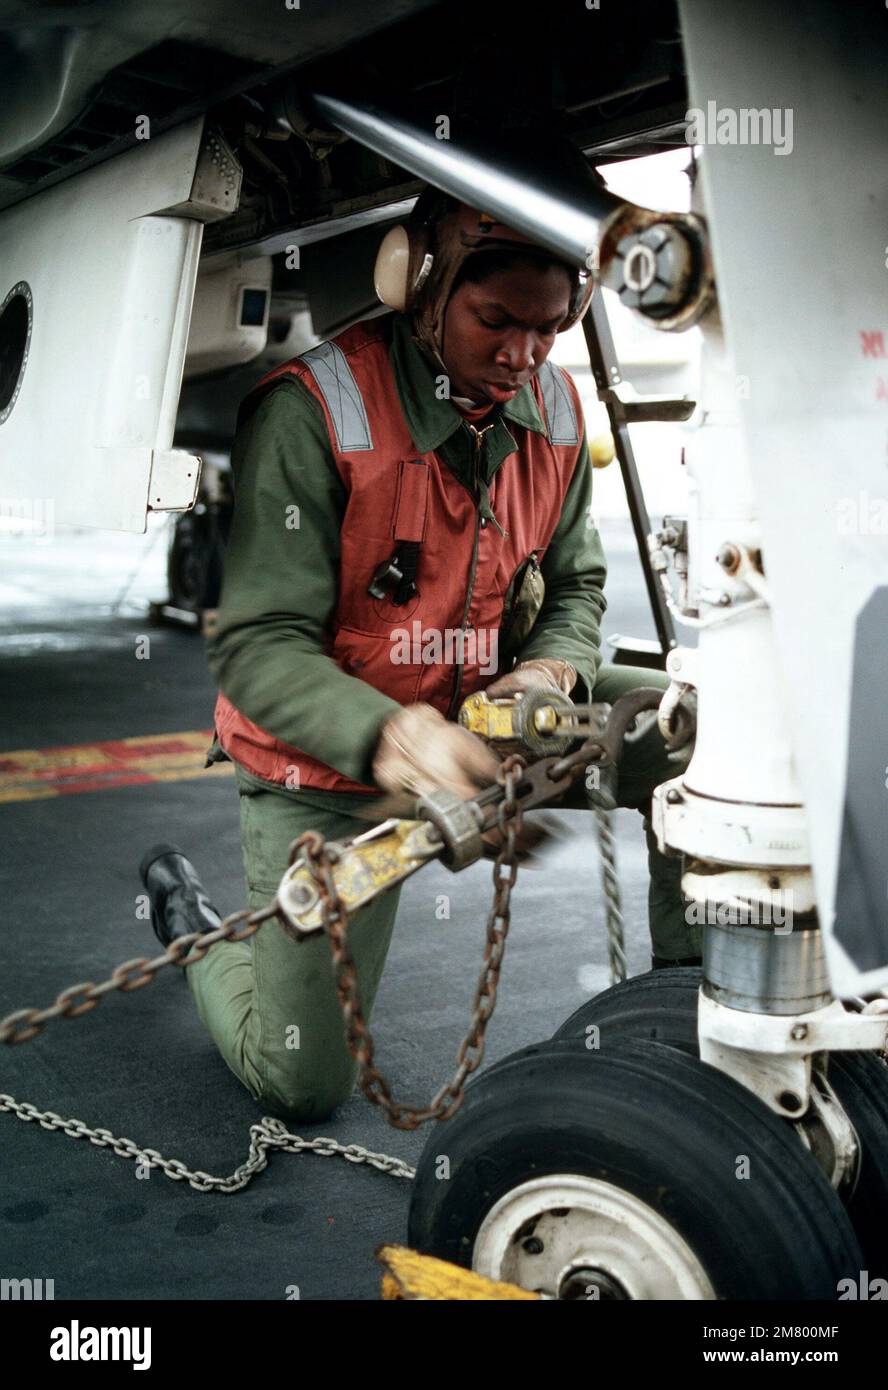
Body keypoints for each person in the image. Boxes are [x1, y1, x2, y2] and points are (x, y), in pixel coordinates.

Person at [140, 186, 701, 1122]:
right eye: (497, 321)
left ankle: (695, 1005)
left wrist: (549, 671)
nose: (524, 356)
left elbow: (576, 589)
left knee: (702, 735)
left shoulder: (554, 411)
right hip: (333, 762)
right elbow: (256, 645)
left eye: (551, 328)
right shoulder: (314, 412)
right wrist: (399, 743)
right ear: (419, 286)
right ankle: (199, 934)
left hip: (499, 719)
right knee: (300, 1082)